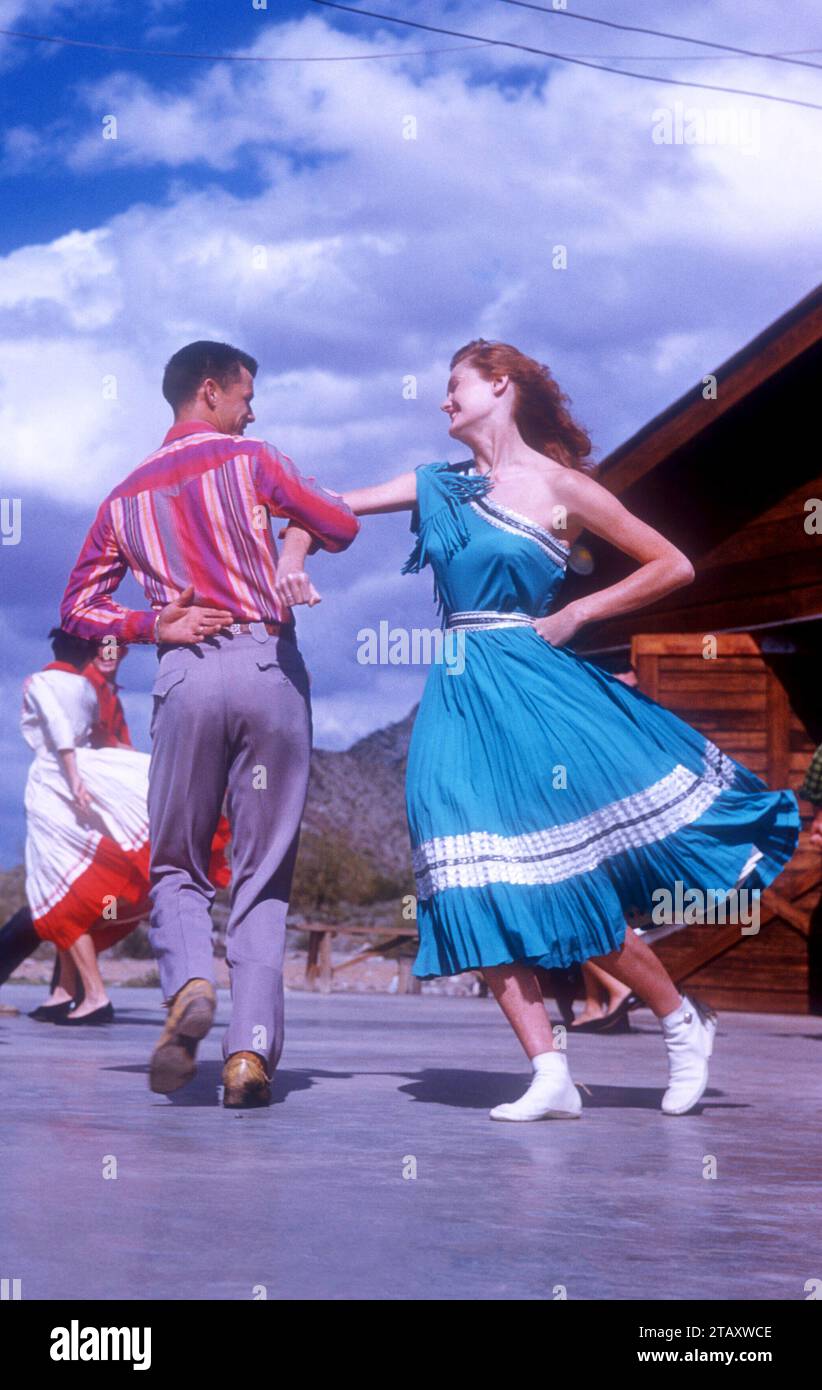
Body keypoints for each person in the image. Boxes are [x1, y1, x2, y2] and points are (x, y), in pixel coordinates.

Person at [276, 337, 800, 1120]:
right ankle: (548, 1069)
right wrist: (292, 557)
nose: (443, 401)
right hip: (457, 693)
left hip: (539, 686)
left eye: (455, 386)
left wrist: (581, 610)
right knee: (462, 873)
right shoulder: (436, 484)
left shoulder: (562, 488)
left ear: (500, 384)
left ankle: (680, 1020)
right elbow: (321, 507)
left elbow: (673, 565)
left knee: (571, 880)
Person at [60, 340, 359, 1106]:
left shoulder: (121, 497)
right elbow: (340, 523)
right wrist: (295, 528)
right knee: (262, 873)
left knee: (176, 863)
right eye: (245, 394)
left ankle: (190, 981)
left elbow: (77, 610)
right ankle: (248, 1056)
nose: (252, 408)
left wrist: (153, 624)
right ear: (209, 392)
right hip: (267, 671)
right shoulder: (253, 457)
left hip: (185, 675)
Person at [13, 628, 152, 1023]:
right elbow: (98, 737)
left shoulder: (40, 681)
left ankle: (93, 994)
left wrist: (72, 776)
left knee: (58, 892)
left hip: (54, 781)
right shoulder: (89, 690)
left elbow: (58, 728)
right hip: (81, 782)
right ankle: (65, 990)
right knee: (70, 888)